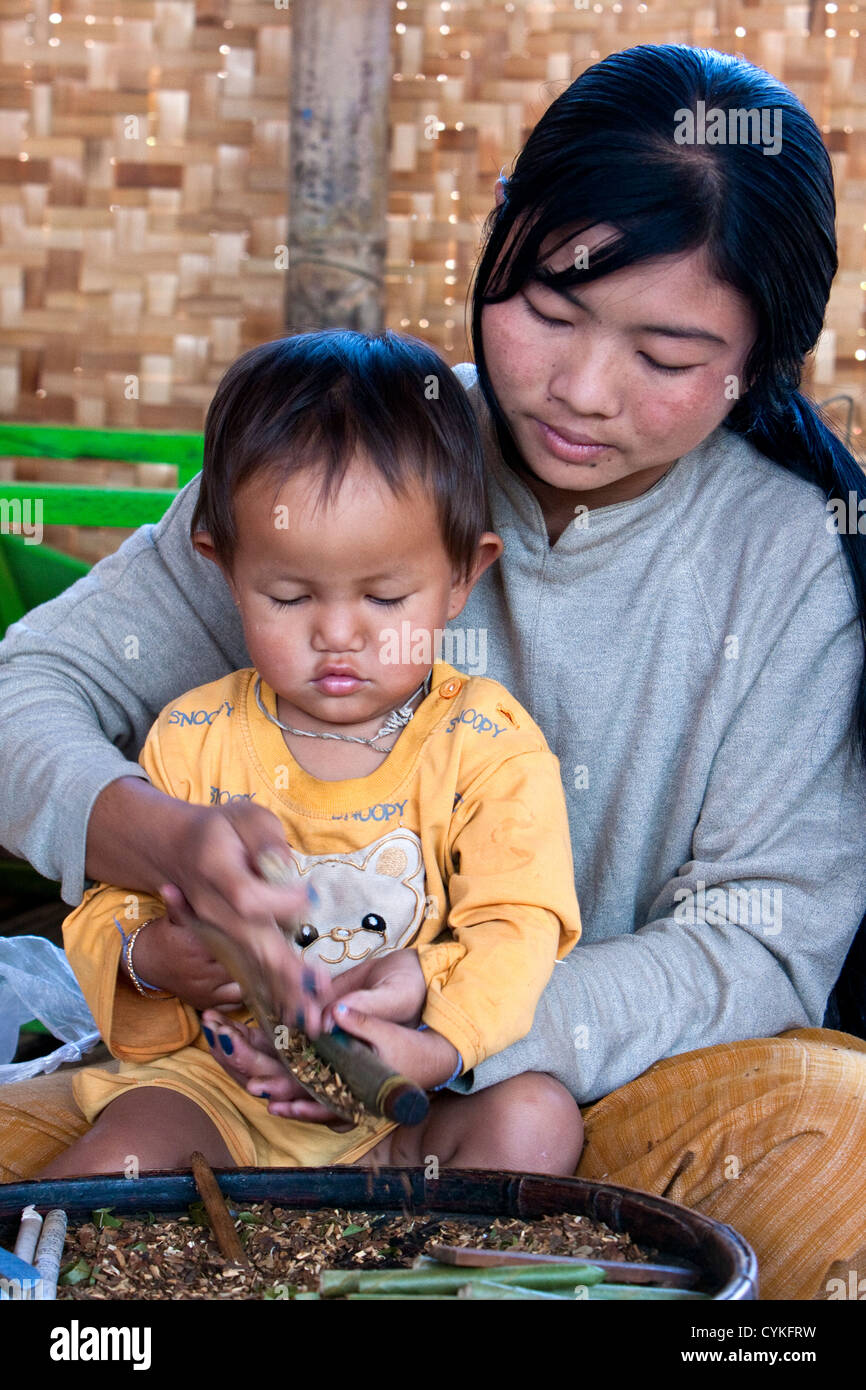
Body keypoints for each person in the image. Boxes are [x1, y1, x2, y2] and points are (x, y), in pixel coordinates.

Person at [0, 42, 865, 1298]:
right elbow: (32, 688)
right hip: (221, 1092)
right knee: (65, 1182)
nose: (577, 389)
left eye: (664, 358)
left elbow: (766, 930)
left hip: (570, 1110)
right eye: (549, 314)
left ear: (758, 356)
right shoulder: (354, 453)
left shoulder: (781, 556)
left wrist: (452, 1028)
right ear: (497, 241)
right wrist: (155, 844)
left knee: (836, 1134)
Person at [32, 330, 583, 1180]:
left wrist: (431, 1032)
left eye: (385, 597)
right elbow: (108, 913)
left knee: (537, 1122)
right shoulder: (192, 737)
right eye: (288, 595)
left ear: (463, 578)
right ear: (222, 565)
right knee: (104, 1170)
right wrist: (152, 960)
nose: (337, 635)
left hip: (409, 1108)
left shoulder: (488, 744)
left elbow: (519, 926)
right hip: (220, 1097)